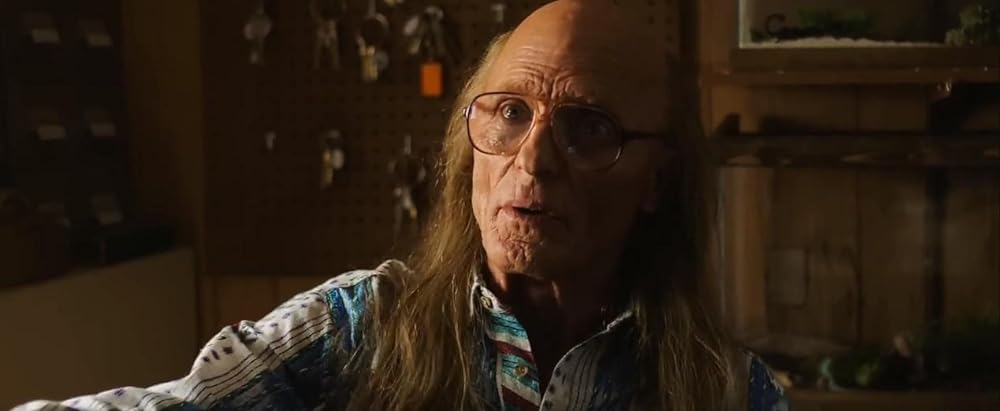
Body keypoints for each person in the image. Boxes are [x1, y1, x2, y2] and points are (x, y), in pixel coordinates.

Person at [17, 1, 788, 410]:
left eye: (588, 128)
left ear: (658, 180)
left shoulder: (728, 392)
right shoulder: (361, 329)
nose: (532, 159)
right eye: (510, 112)